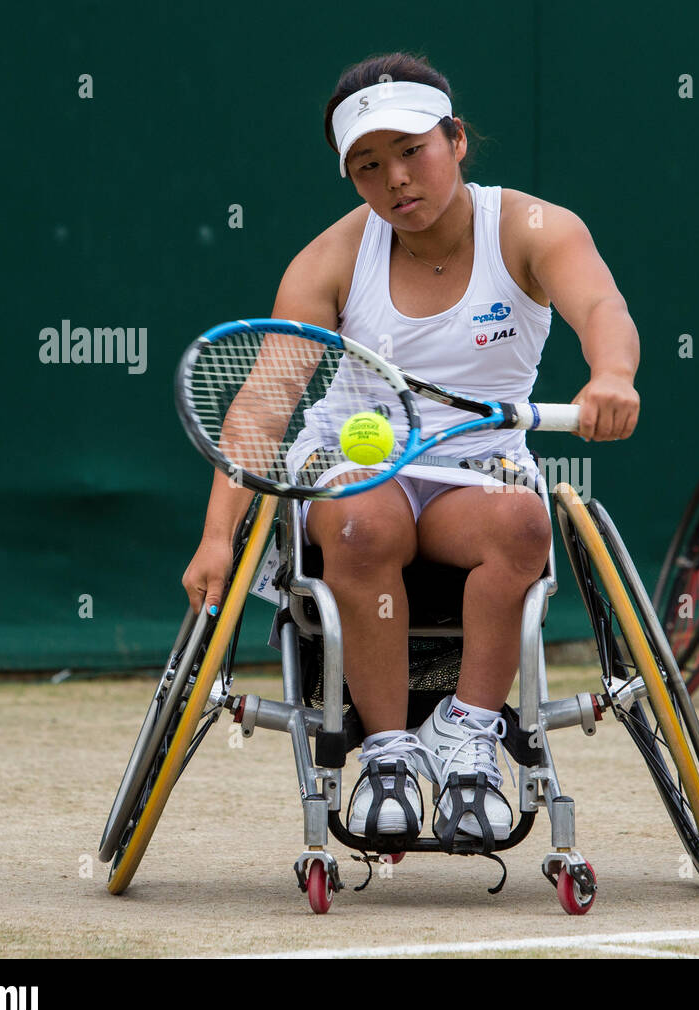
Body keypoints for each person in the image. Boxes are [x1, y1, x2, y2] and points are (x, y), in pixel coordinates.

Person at [181, 53, 640, 847]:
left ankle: (467, 741)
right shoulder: (330, 257)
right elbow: (263, 404)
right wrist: (217, 533)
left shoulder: (534, 229)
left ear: (456, 140)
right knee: (364, 527)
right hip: (362, 468)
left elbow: (601, 301)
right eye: (368, 164)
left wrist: (613, 375)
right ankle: (387, 755)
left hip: (478, 469)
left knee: (526, 527)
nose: (394, 177)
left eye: (411, 151)